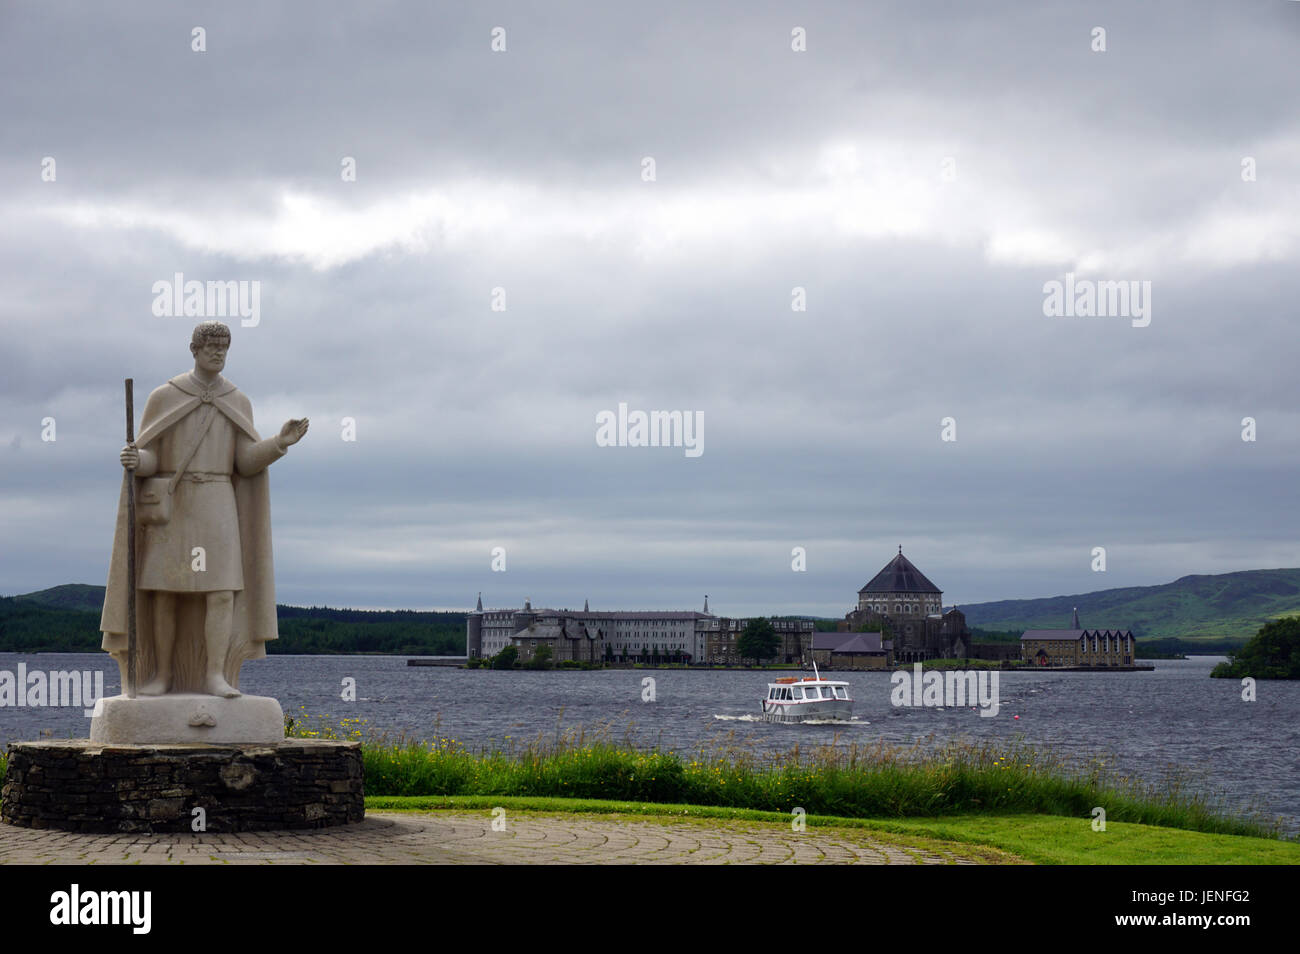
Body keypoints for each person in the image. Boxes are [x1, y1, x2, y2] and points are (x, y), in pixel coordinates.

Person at [100, 320, 308, 697]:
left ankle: (215, 675)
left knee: (221, 591)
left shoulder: (237, 400)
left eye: (223, 348)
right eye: (211, 347)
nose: (218, 354)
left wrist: (279, 443)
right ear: (194, 350)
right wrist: (137, 459)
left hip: (217, 501)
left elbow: (244, 462)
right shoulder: (165, 396)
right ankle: (162, 675)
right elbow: (152, 455)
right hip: (174, 502)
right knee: (165, 591)